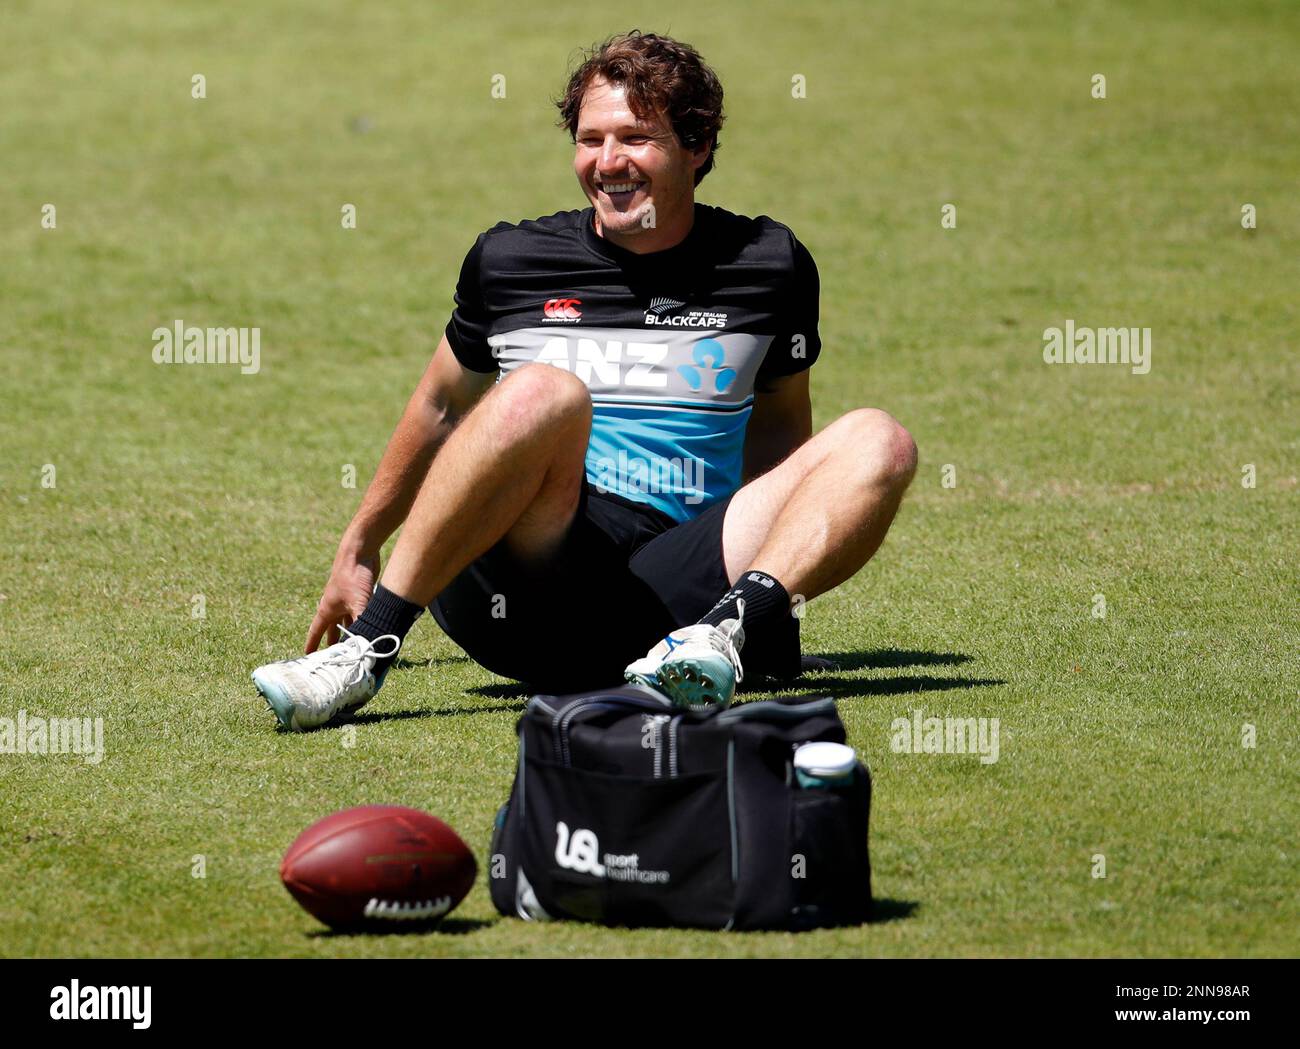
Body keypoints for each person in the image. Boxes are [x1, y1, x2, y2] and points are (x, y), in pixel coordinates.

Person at [252, 30, 917, 731]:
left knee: (881, 440)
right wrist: (359, 544)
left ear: (697, 148)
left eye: (635, 138)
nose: (608, 163)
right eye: (590, 139)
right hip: (523, 575)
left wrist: (772, 597)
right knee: (547, 391)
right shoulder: (509, 260)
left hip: (672, 587)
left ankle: (720, 636)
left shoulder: (768, 264)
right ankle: (364, 652)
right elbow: (443, 406)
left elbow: (783, 421)